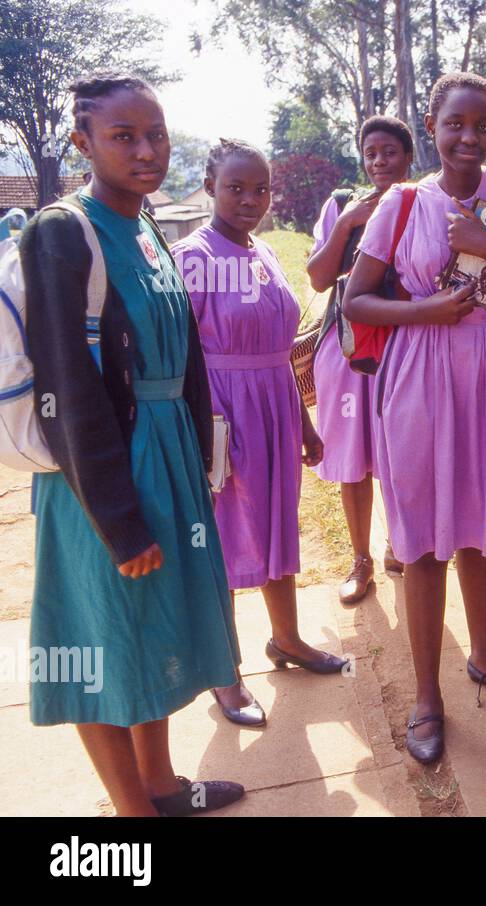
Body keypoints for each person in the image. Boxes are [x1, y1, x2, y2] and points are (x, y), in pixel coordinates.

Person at [22, 73, 243, 815]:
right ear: (83, 144)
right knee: (98, 643)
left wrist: (204, 454)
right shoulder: (61, 230)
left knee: (158, 624)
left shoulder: (148, 224)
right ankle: (133, 816)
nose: (146, 150)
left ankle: (162, 785)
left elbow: (183, 354)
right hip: (103, 468)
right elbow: (67, 382)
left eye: (155, 134)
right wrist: (116, 519)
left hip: (168, 452)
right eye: (123, 137)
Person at [342, 72, 486, 764]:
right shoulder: (403, 202)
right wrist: (423, 311)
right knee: (425, 541)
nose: (469, 137)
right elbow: (355, 301)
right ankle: (427, 697)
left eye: (481, 124)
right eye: (455, 124)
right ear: (431, 124)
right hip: (420, 380)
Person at [175, 139, 346, 728]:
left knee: (276, 523)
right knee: (222, 539)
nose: (251, 200)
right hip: (223, 413)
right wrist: (202, 430)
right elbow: (181, 356)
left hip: (274, 404)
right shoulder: (190, 257)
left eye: (261, 189)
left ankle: (288, 639)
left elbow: (280, 351)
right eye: (236, 188)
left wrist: (303, 419)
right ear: (209, 188)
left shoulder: (266, 253)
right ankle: (224, 672)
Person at [306, 116, 416, 604]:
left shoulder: (422, 202)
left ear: (408, 157)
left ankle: (399, 543)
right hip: (347, 348)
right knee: (351, 457)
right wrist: (349, 222)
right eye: (370, 153)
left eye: (389, 152)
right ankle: (360, 559)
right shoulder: (339, 206)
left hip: (404, 345)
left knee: (403, 452)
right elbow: (316, 277)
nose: (379, 162)